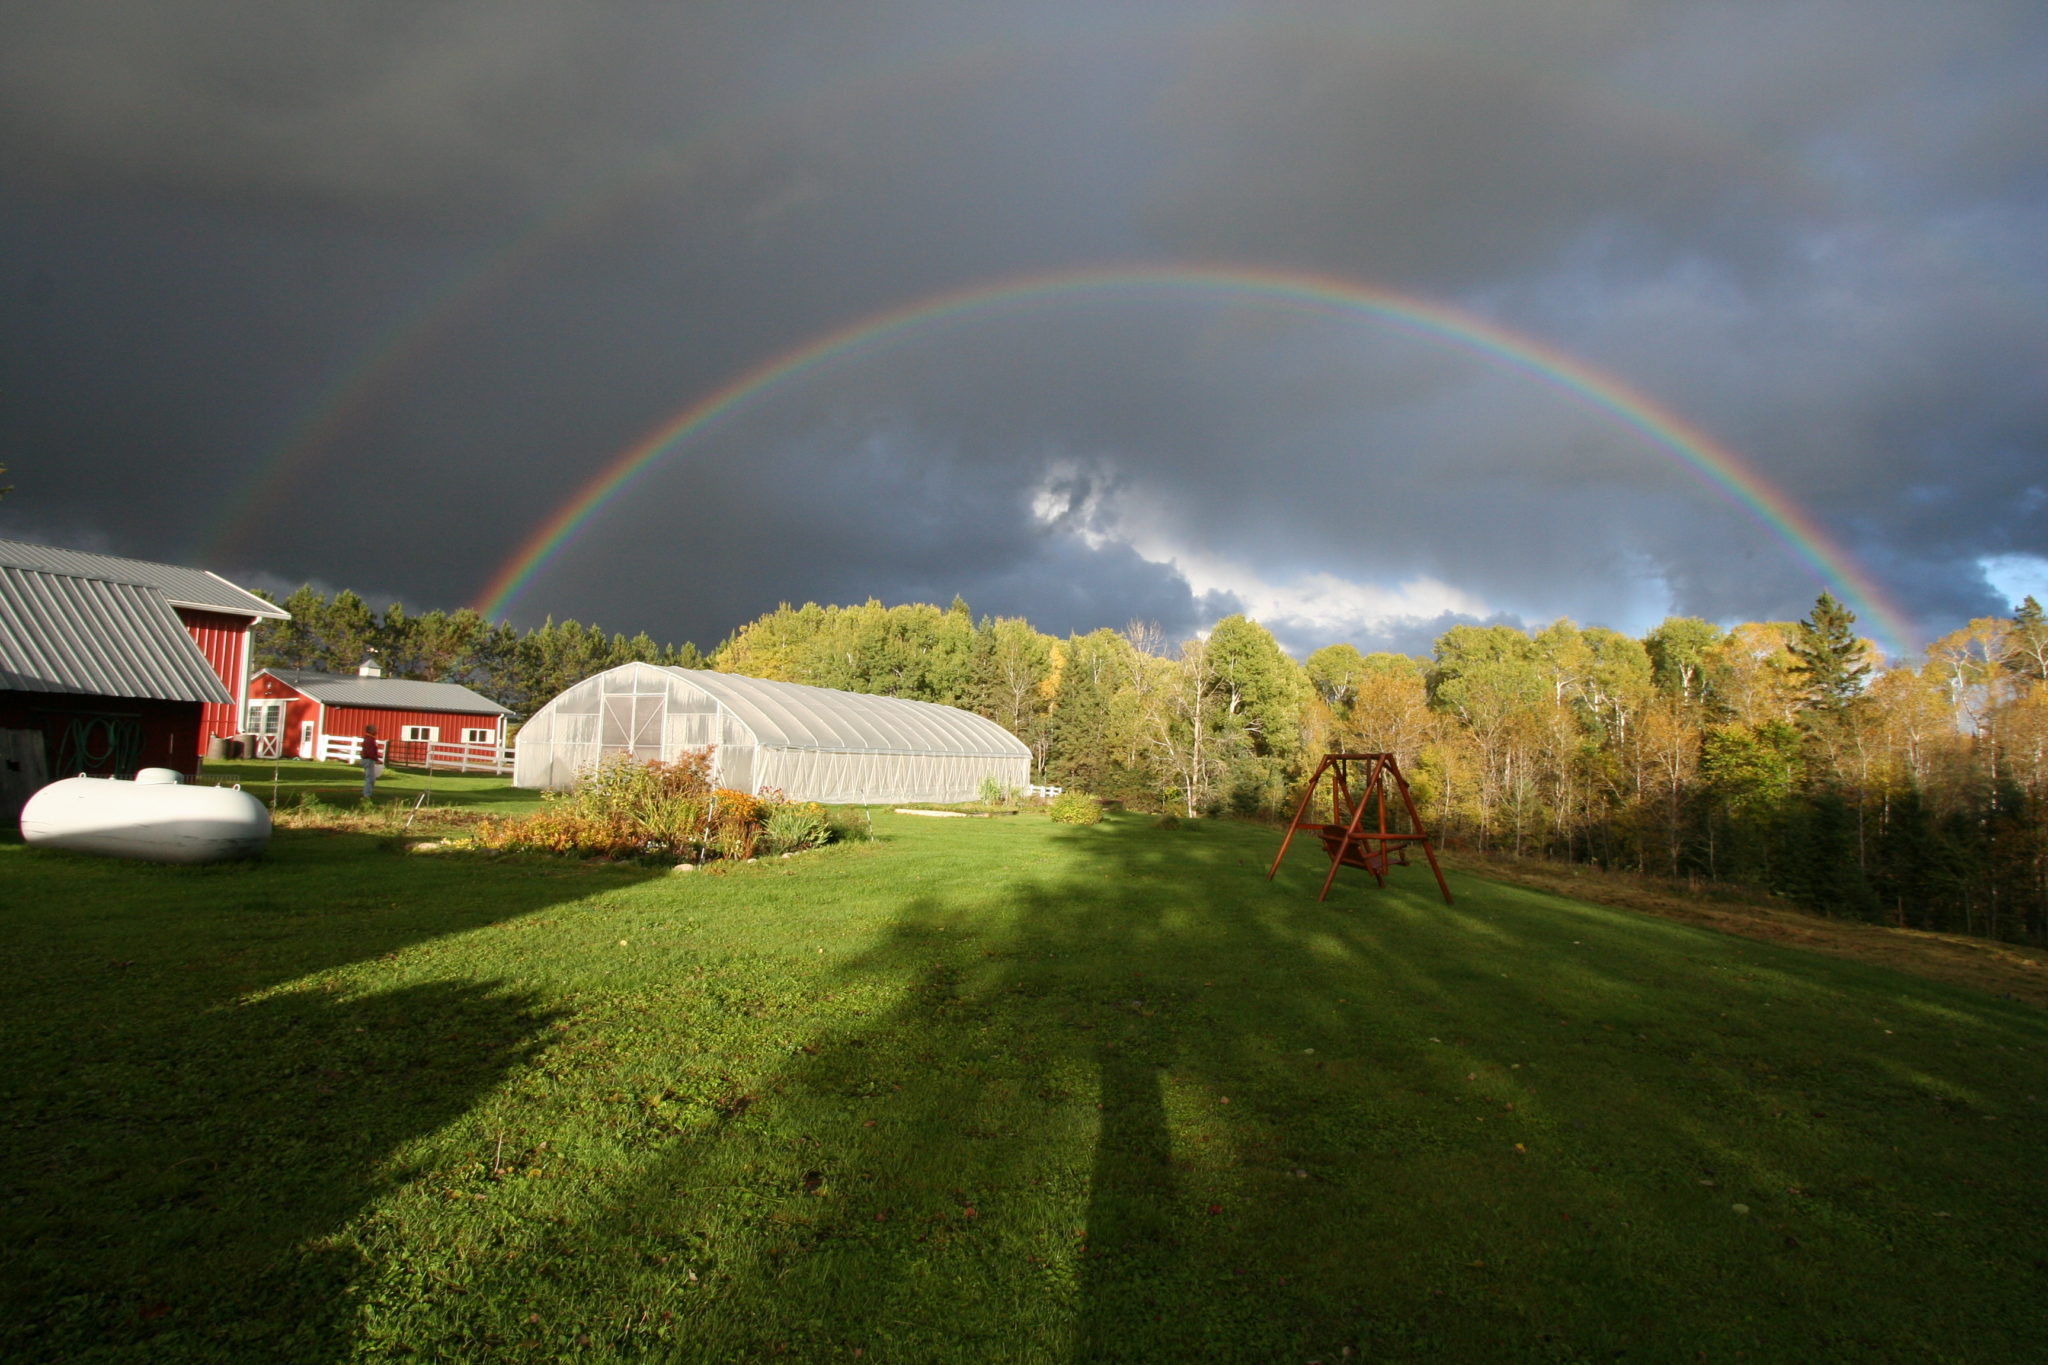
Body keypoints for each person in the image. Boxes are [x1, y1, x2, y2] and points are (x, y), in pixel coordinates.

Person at [361, 724, 383, 799]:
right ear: (371, 730)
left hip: (369, 759)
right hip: (368, 760)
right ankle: (367, 794)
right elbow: (369, 752)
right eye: (375, 729)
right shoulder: (370, 740)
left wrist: (377, 756)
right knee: (370, 778)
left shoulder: (369, 739)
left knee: (371, 778)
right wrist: (376, 759)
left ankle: (367, 793)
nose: (376, 731)